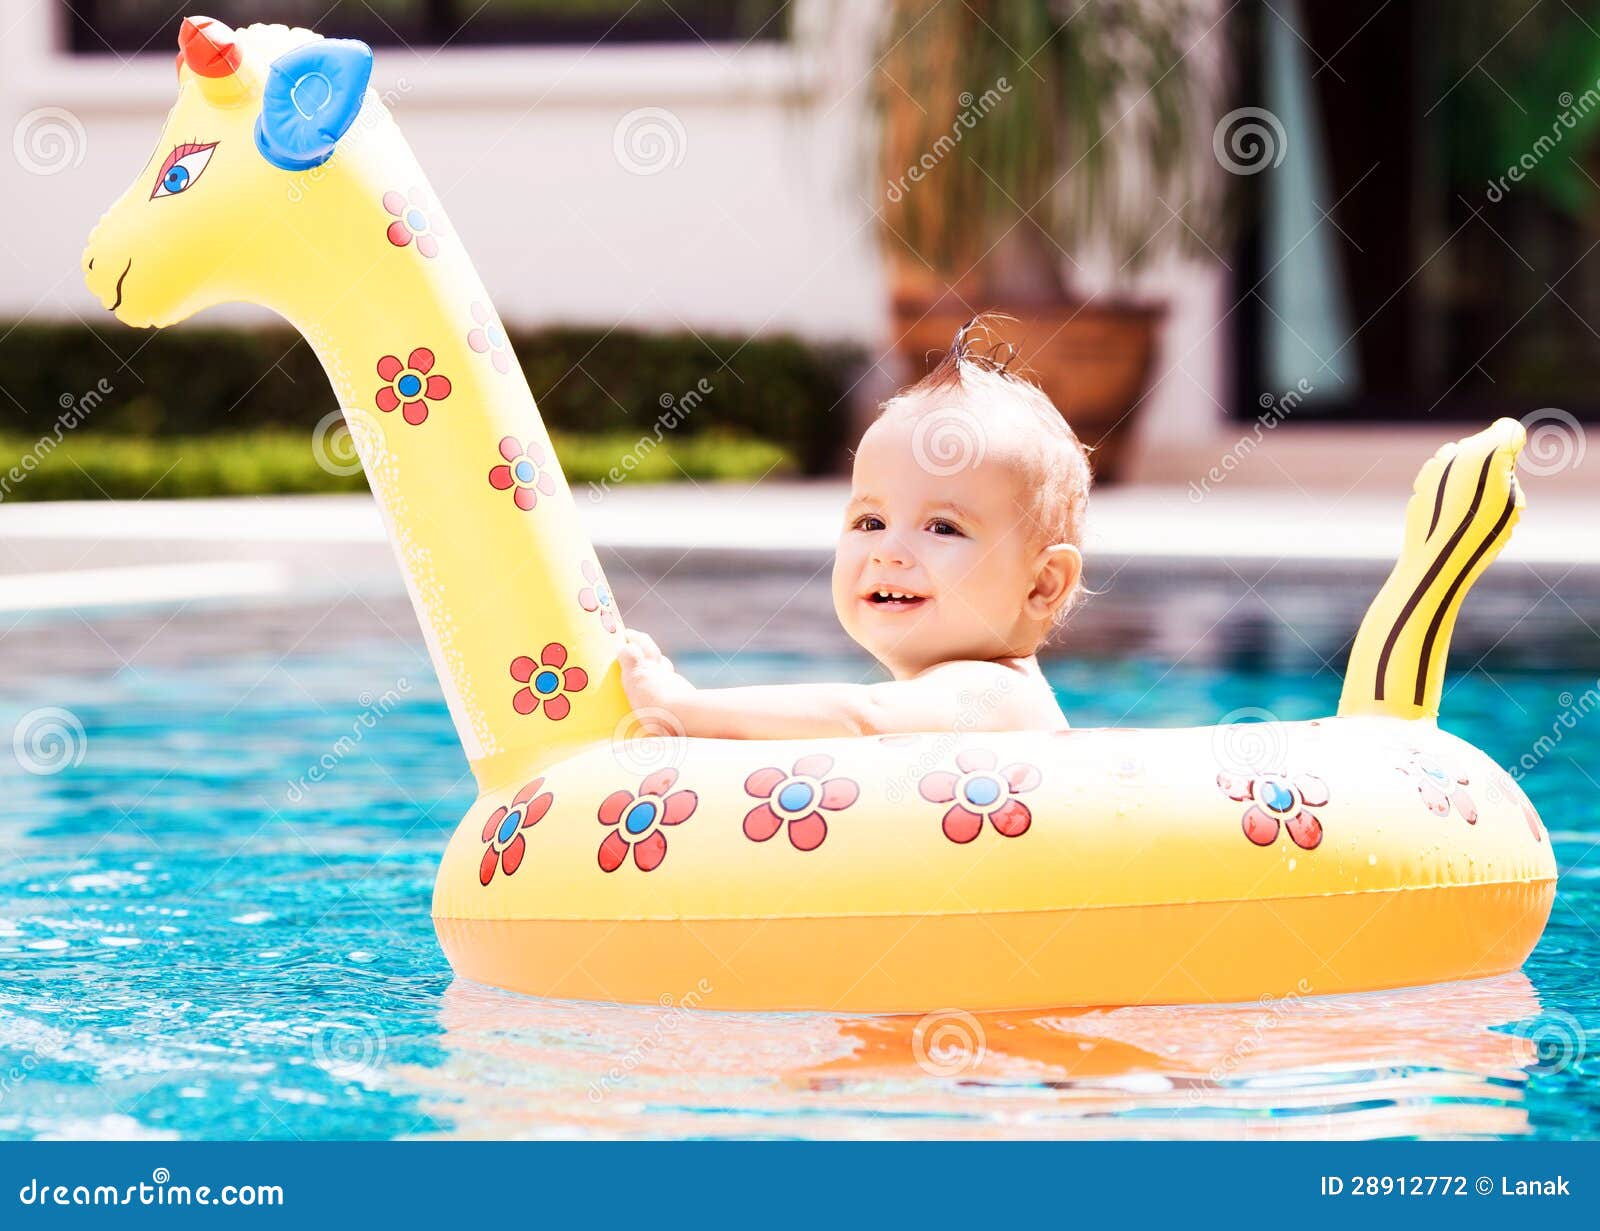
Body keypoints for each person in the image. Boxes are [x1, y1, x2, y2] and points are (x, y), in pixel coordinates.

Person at [619, 317, 1091, 737]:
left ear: (1043, 583)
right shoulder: (945, 703)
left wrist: (678, 707)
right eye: (871, 521)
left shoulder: (996, 692)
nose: (888, 551)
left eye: (943, 528)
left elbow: (861, 716)